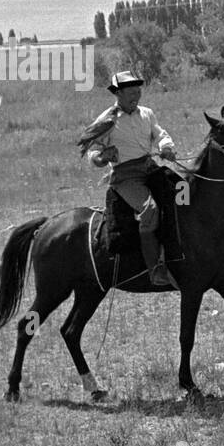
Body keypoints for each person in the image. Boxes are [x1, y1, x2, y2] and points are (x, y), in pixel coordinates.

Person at [78, 70, 179, 287]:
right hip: (125, 176)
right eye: (130, 91)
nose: (136, 94)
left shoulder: (147, 113)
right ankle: (156, 270)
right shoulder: (108, 120)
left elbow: (159, 134)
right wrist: (102, 157)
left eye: (138, 89)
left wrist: (166, 147)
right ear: (118, 94)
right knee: (150, 210)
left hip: (149, 167)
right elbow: (93, 152)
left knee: (183, 192)